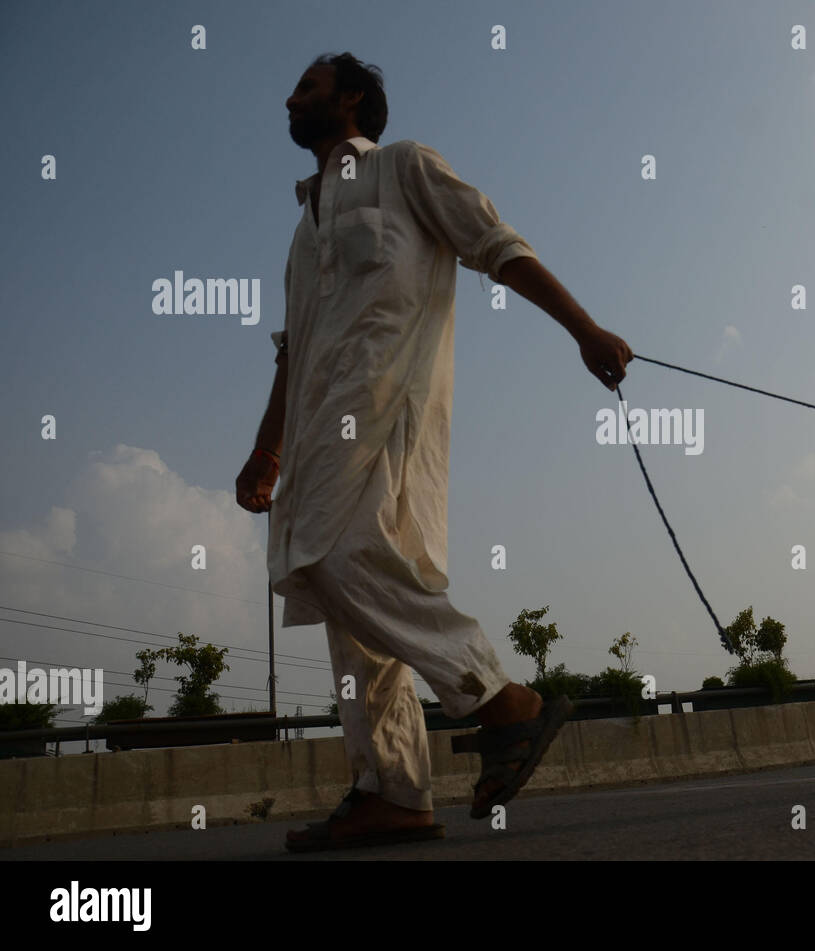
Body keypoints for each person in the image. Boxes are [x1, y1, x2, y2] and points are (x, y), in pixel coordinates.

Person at [235, 52, 632, 851]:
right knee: (355, 613)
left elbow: (495, 243)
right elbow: (293, 349)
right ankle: (391, 790)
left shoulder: (405, 168)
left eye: (306, 87)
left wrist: (582, 329)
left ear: (350, 98)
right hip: (318, 433)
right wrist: (266, 447)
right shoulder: (301, 230)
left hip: (391, 412)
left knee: (332, 557)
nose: (289, 97)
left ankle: (499, 697)